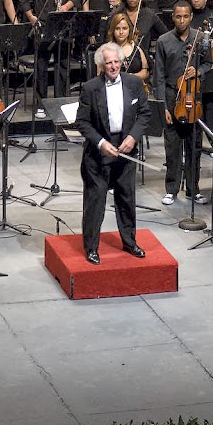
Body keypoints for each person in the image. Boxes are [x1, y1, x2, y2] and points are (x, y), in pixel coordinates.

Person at [77, 44, 153, 264]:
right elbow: (82, 122)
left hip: (126, 148)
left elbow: (144, 114)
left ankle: (130, 242)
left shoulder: (134, 83)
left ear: (122, 62)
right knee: (95, 201)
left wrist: (133, 137)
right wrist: (100, 143)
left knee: (127, 198)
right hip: (98, 153)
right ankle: (91, 247)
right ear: (102, 65)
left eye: (116, 62)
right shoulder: (90, 88)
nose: (113, 66)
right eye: (108, 62)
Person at [154, 2, 211, 205]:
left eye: (185, 16)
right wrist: (163, 107)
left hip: (193, 98)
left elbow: (209, 63)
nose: (182, 20)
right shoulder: (163, 41)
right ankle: (171, 189)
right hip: (172, 96)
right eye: (178, 16)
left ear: (191, 17)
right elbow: (159, 76)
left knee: (194, 147)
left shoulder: (200, 38)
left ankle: (193, 189)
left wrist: (199, 71)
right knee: (172, 148)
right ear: (173, 17)